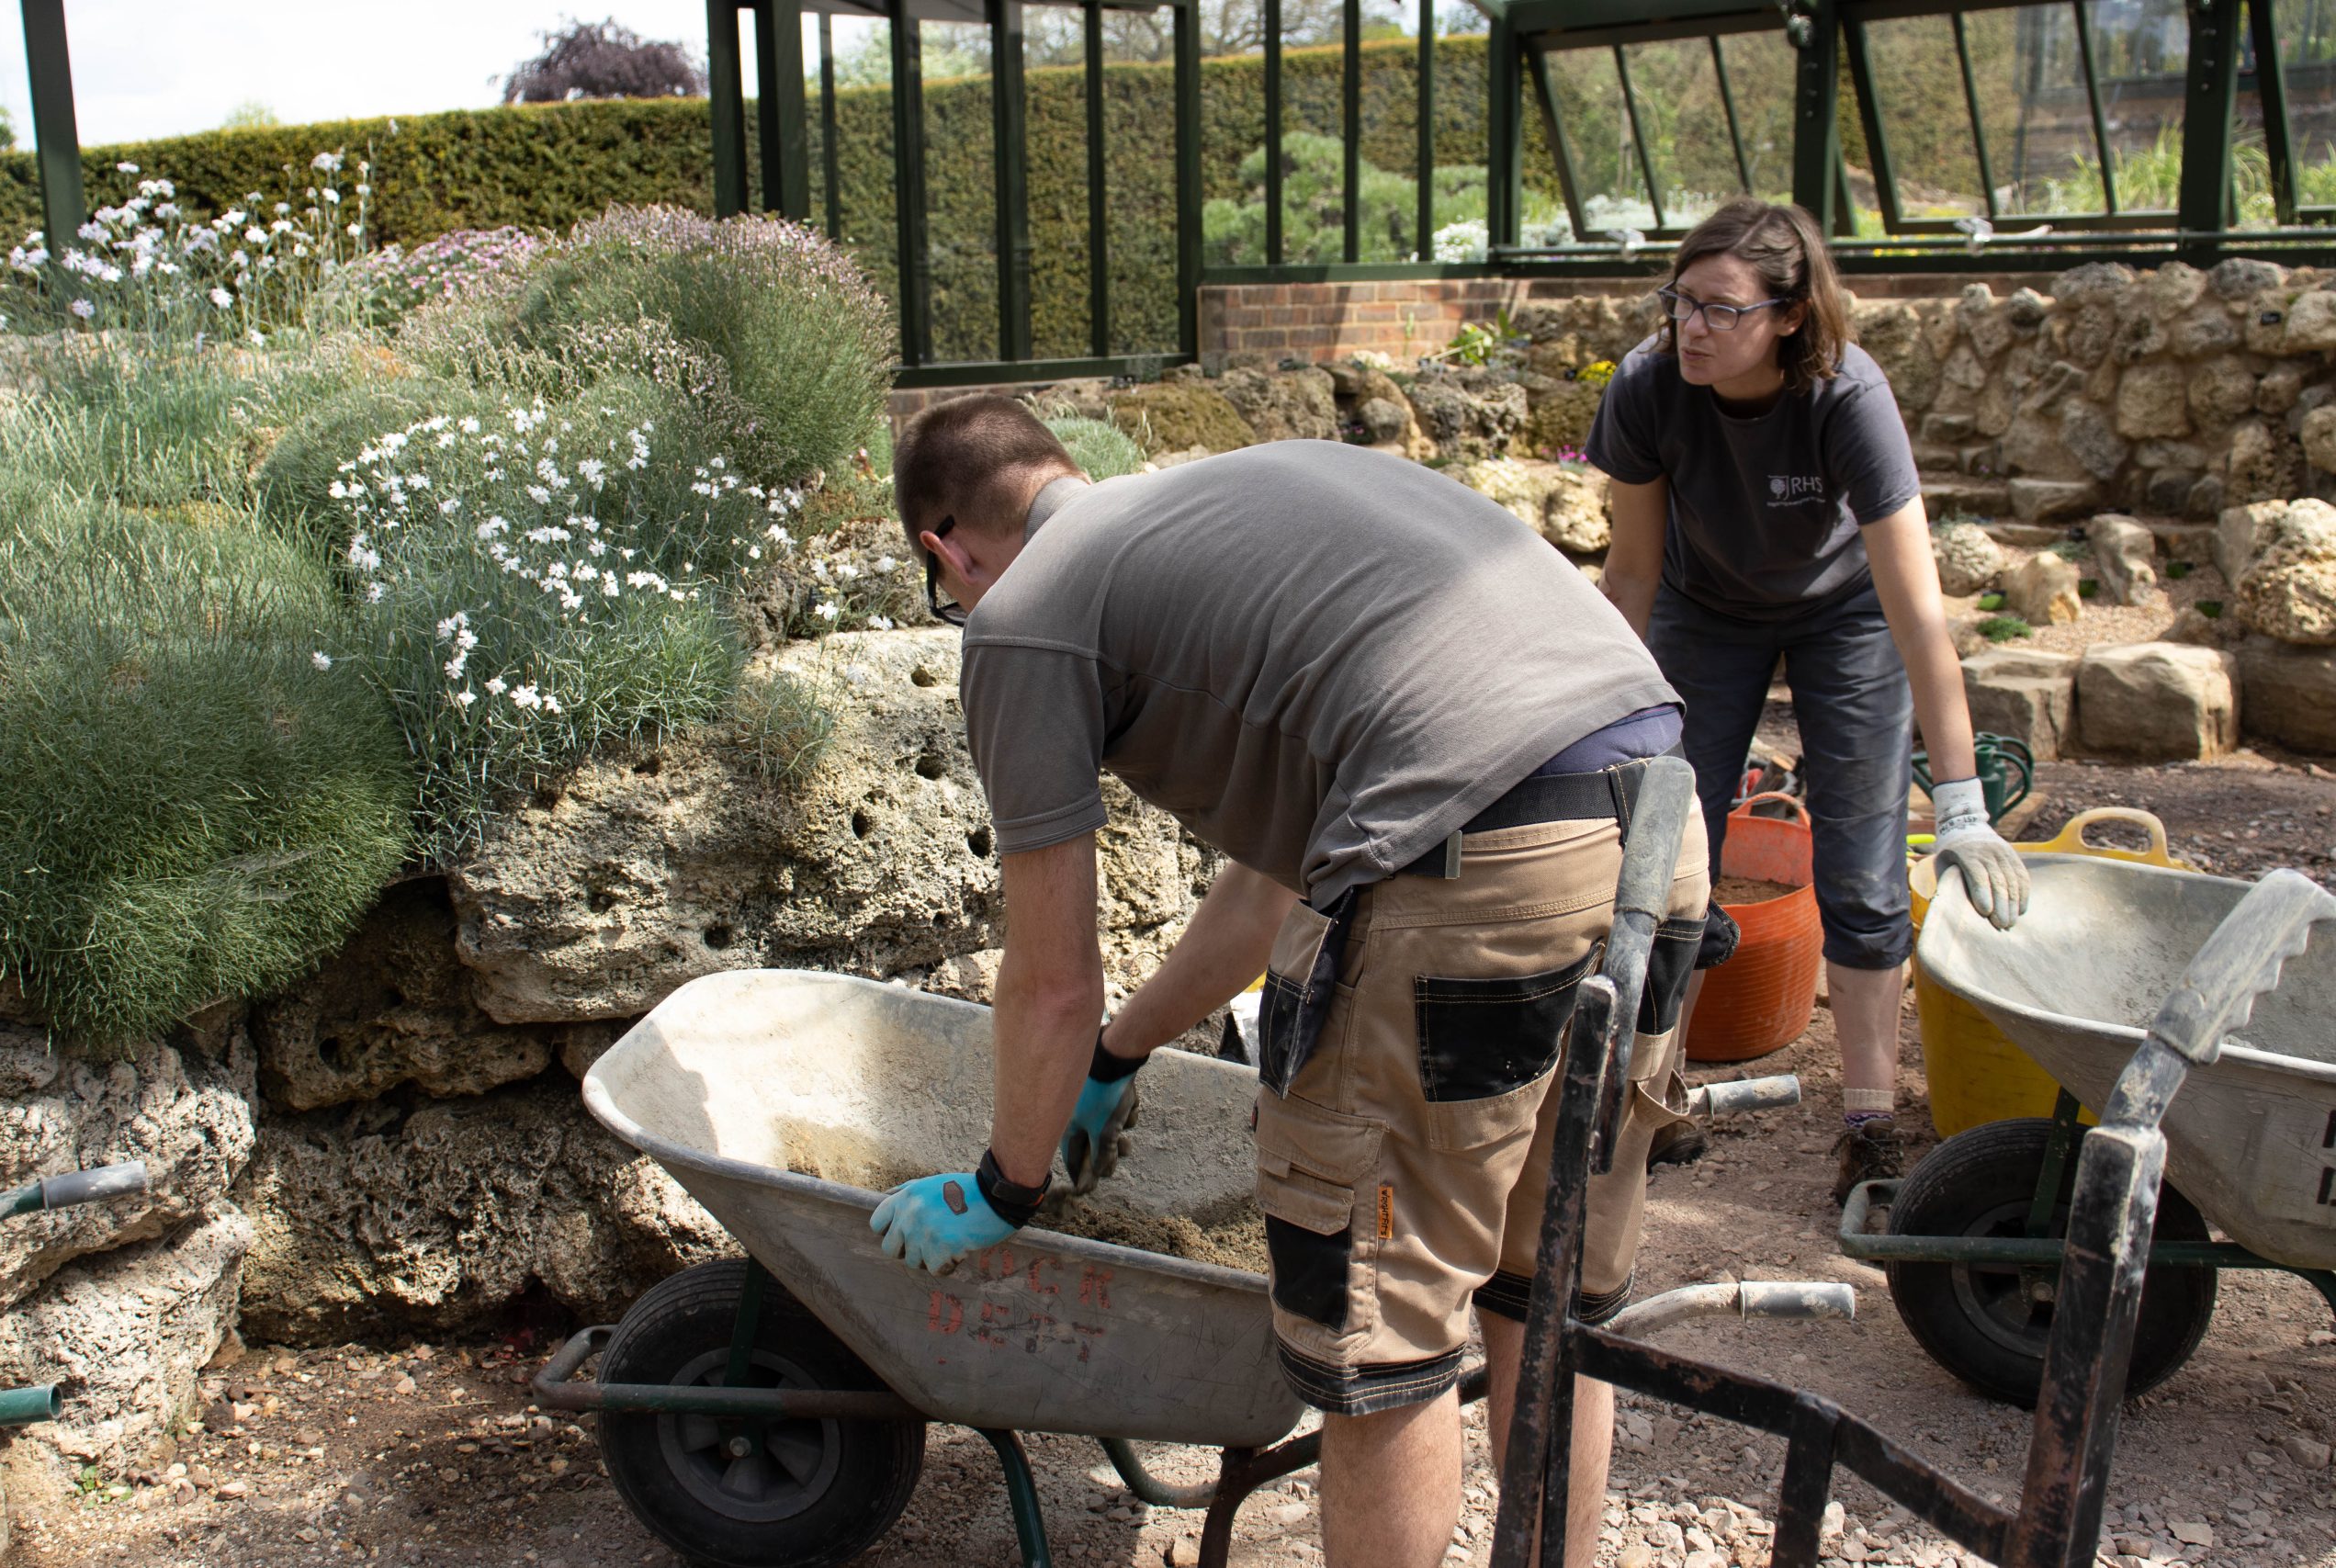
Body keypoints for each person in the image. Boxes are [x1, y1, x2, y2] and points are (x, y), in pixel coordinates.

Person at [868, 396, 1712, 1568]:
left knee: (1383, 1337)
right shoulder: (1230, 513)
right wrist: (1119, 1054)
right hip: (1660, 820)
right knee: (1544, 1290)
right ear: (1061, 470)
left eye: (947, 587)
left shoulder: (1022, 616)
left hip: (1471, 861)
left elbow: (1049, 974)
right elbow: (1265, 893)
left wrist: (1002, 1189)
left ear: (944, 548)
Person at [1584, 198, 2029, 1201]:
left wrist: (1959, 809)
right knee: (1663, 855)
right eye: (1679, 301)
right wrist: (1600, 730)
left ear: (1787, 316)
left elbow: (1920, 620)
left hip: (1849, 618)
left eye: (1719, 309)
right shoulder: (1651, 386)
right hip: (1705, 609)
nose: (1690, 328)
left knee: (1865, 873)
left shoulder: (1846, 397)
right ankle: (1653, 1099)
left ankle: (1869, 1124)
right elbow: (1633, 576)